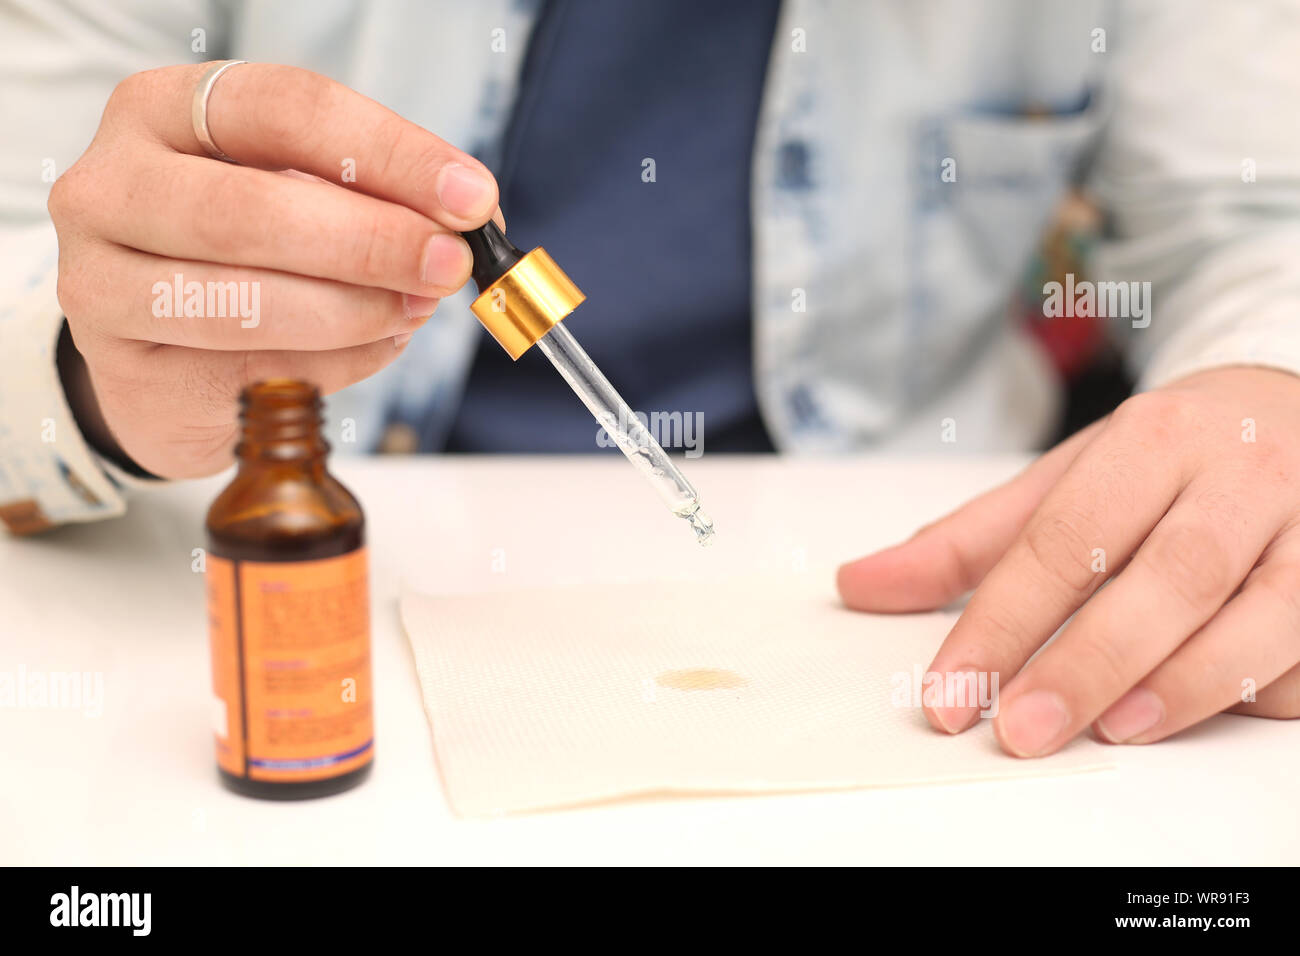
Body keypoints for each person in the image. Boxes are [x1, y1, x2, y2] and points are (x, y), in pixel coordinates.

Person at [2, 1, 1298, 756]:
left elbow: (1253, 222)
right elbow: (24, 238)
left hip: (915, 613)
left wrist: (1271, 393)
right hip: (285, 612)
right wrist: (91, 362)